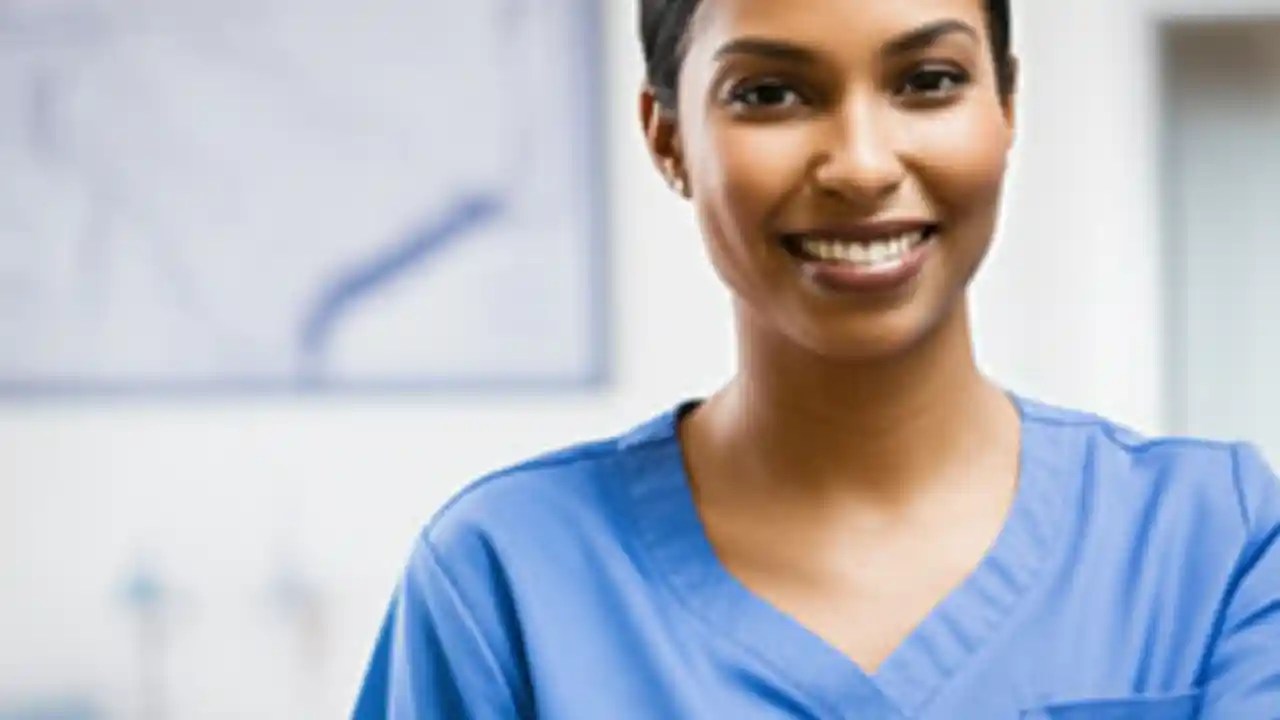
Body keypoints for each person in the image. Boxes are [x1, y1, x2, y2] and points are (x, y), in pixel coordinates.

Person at [353, 0, 1280, 717]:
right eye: (769, 94)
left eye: (927, 80)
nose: (863, 166)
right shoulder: (503, 576)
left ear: (1006, 108)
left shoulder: (1217, 544)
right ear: (668, 137)